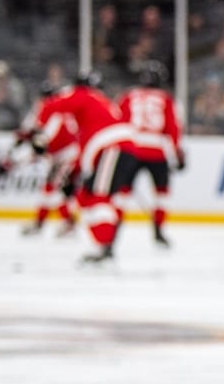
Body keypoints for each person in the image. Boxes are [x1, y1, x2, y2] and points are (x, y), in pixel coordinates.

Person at [29, 71, 146, 263]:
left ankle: (106, 245)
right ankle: (103, 242)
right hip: (116, 148)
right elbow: (84, 146)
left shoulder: (85, 96)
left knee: (99, 196)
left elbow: (52, 104)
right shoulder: (102, 104)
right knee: (85, 196)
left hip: (112, 148)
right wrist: (74, 172)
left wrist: (39, 134)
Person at [117, 60, 184, 247]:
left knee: (122, 193)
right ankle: (159, 231)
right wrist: (178, 152)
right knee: (162, 194)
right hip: (157, 152)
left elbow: (119, 123)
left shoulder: (128, 96)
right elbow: (173, 127)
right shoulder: (166, 99)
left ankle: (113, 230)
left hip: (132, 148)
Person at [18, 80, 81, 237]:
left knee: (53, 188)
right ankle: (45, 223)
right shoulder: (50, 109)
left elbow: (44, 138)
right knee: (51, 188)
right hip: (61, 156)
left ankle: (68, 223)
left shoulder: (54, 111)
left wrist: (33, 148)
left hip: (67, 156)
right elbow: (36, 133)